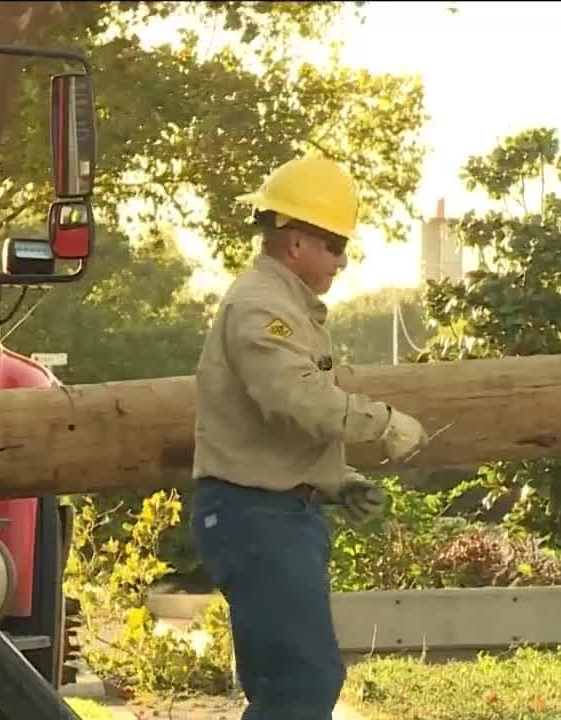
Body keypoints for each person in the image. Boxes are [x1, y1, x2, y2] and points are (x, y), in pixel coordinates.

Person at [188, 155, 430, 719]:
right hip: (258, 518)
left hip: (270, 514)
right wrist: (384, 425)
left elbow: (267, 422)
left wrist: (333, 479)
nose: (343, 261)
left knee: (294, 683)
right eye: (335, 245)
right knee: (301, 684)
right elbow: (295, 396)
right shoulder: (260, 306)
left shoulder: (280, 305)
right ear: (295, 243)